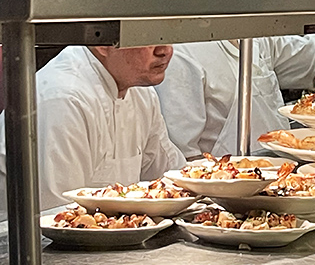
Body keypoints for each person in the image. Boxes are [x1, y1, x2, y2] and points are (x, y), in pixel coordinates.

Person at [0, 44, 185, 215]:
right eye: (148, 37)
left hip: (114, 235)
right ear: (103, 44)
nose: (164, 50)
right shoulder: (63, 100)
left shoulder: (141, 92)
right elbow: (58, 218)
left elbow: (173, 179)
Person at [155, 30, 315, 158]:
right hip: (222, 195)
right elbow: (184, 157)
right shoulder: (183, 51)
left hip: (283, 178)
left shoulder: (256, 32)